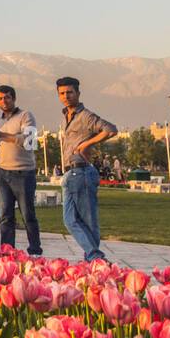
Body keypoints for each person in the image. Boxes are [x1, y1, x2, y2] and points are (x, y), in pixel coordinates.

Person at [57, 77, 118, 261]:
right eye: (62, 93)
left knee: (88, 221)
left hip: (82, 171)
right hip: (70, 173)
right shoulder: (66, 116)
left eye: (70, 92)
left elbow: (111, 129)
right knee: (69, 220)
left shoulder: (85, 116)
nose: (66, 96)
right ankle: (94, 256)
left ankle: (95, 259)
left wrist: (86, 144)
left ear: (78, 93)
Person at [0, 85, 42, 256]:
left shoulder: (26, 116)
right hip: (3, 173)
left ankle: (35, 250)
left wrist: (1, 135)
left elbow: (30, 142)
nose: (4, 101)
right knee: (5, 216)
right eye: (0, 98)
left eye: (7, 97)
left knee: (28, 214)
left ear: (14, 98)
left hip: (23, 173)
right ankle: (7, 251)